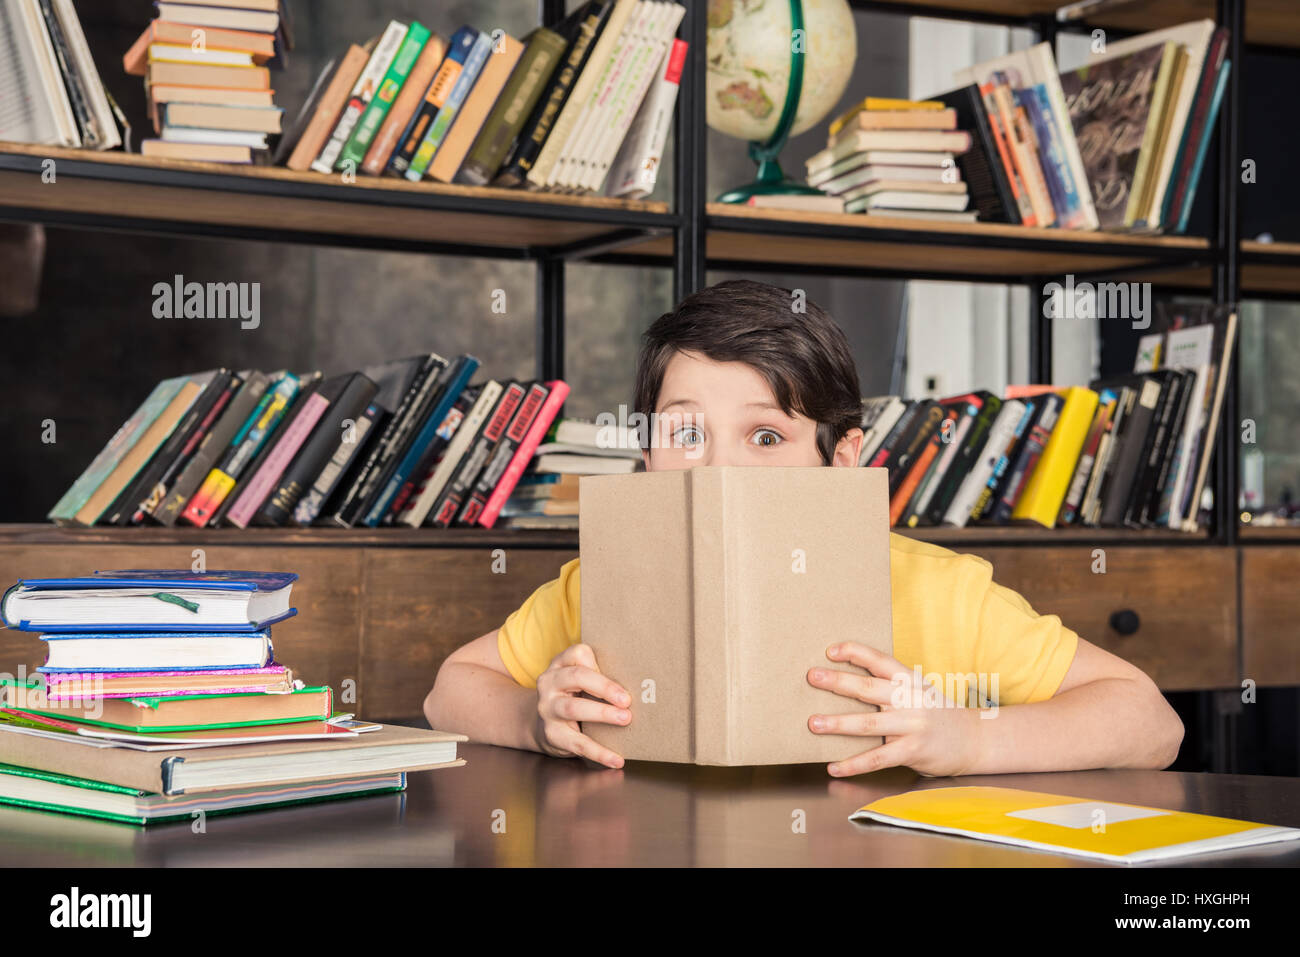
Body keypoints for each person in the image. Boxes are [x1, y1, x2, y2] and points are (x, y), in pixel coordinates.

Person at [424, 280, 1184, 777]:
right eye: (685, 433)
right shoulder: (600, 584)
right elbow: (450, 690)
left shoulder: (937, 589)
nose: (716, 470)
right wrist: (536, 715)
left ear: (841, 456)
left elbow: (1151, 721)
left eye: (764, 437)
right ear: (647, 449)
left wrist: (975, 738)